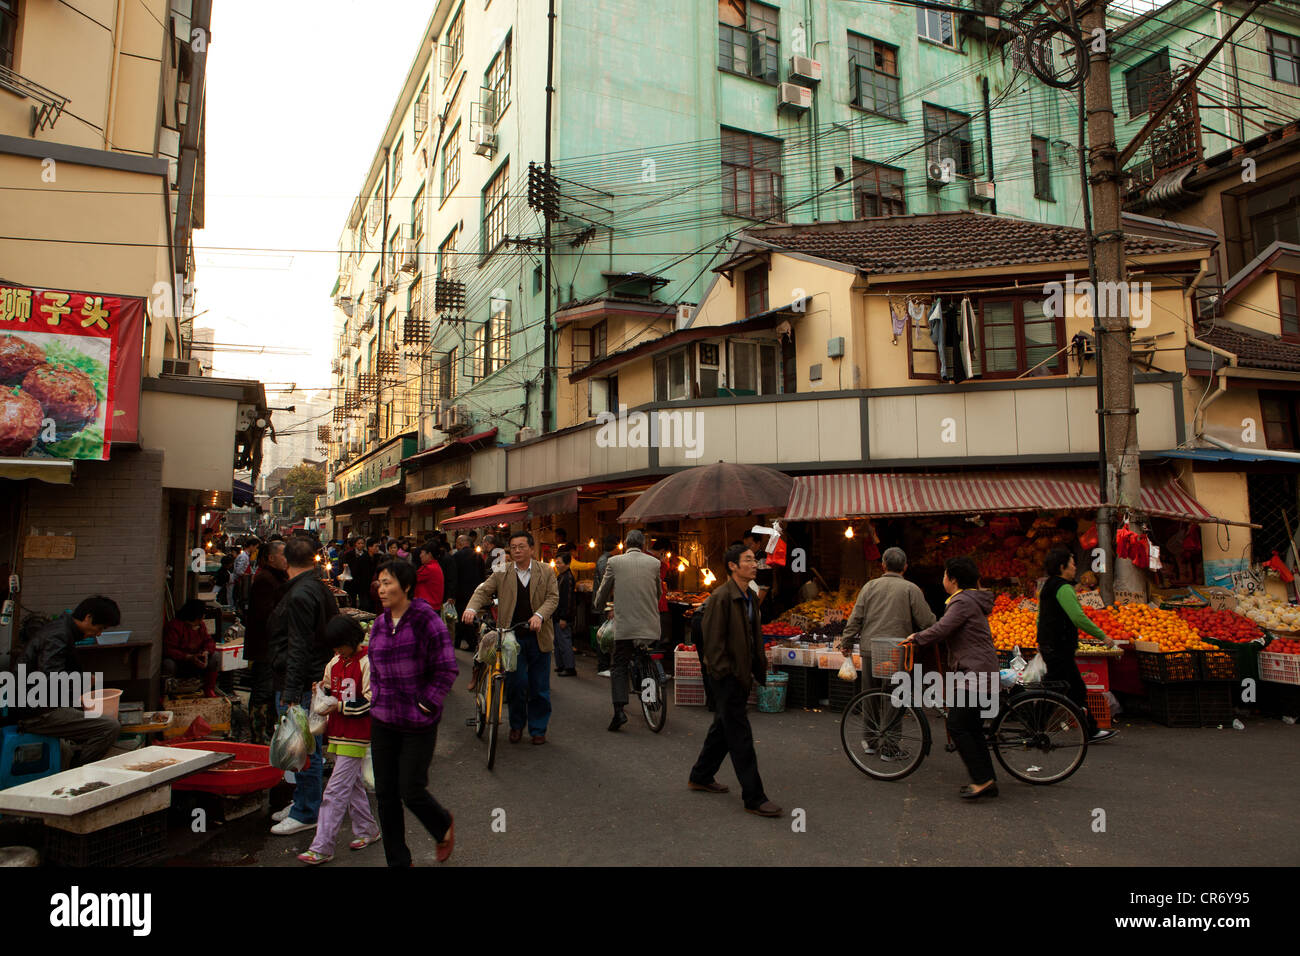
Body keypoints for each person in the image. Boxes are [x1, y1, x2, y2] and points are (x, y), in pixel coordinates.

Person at [368, 558, 457, 866]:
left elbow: (447, 668)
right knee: (385, 795)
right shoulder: (379, 623)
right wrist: (375, 698)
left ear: (406, 587)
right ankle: (398, 861)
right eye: (380, 583)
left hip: (418, 722)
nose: (381, 589)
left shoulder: (425, 619)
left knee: (411, 789)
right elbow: (375, 671)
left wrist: (426, 702)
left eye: (388, 582)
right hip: (382, 720)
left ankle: (442, 823)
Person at [688, 544, 781, 817]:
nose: (755, 565)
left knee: (722, 728)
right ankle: (754, 796)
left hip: (741, 673)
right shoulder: (721, 598)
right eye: (748, 560)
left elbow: (751, 637)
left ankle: (701, 775)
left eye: (755, 560)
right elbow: (712, 643)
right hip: (727, 676)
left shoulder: (750, 596)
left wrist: (756, 667)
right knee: (740, 736)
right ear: (733, 566)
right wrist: (724, 673)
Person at [905, 556, 1000, 799]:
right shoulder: (970, 600)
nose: (943, 579)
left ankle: (982, 779)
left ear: (953, 579)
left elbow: (942, 628)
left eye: (945, 575)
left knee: (957, 725)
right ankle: (987, 778)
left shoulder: (962, 602)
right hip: (980, 669)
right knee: (973, 728)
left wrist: (917, 637)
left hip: (975, 672)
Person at [267, 537, 340, 835]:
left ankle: (306, 810)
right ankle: (304, 801)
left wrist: (292, 694)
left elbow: (298, 646)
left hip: (300, 683)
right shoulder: (319, 587)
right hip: (314, 680)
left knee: (303, 749)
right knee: (307, 748)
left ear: (286, 562)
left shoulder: (300, 594)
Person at [298, 615, 381, 864]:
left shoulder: (368, 662)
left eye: (339, 645)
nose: (336, 651)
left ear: (351, 640)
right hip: (338, 734)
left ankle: (322, 846)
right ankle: (368, 830)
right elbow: (326, 687)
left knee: (334, 791)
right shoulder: (334, 662)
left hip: (358, 736)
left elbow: (370, 701)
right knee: (352, 785)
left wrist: (337, 706)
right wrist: (320, 693)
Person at [463, 531, 559, 744]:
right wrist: (471, 608)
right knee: (516, 685)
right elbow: (483, 591)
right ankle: (516, 725)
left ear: (531, 549)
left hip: (539, 636)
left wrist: (539, 615)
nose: (517, 551)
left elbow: (553, 598)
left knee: (539, 687)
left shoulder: (546, 571)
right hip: (511, 638)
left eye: (521, 546)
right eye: (513, 547)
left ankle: (538, 729)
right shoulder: (502, 572)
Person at [17, 596, 122, 767]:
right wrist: (84, 682)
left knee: (102, 719)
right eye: (99, 627)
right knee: (110, 726)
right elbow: (49, 677)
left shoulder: (61, 629)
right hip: (37, 712)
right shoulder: (58, 635)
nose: (99, 633)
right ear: (88, 618)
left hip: (39, 704)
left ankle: (71, 763)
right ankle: (76, 772)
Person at [1037, 547, 1118, 742]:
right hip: (1059, 646)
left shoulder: (1048, 585)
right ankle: (1035, 725)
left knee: (1070, 689)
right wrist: (1102, 636)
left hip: (1052, 645)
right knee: (1059, 688)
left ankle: (1089, 729)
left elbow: (1041, 617)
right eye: (1072, 564)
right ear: (1062, 567)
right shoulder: (1063, 588)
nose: (1075, 568)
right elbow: (1078, 617)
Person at [593, 530, 664, 731]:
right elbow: (658, 592)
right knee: (647, 659)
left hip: (625, 627)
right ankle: (650, 700)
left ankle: (619, 711)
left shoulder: (615, 562)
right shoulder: (654, 563)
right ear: (643, 545)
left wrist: (599, 605)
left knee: (619, 665)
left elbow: (604, 589)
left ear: (625, 544)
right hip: (650, 625)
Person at [837, 547, 936, 687]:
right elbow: (927, 622)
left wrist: (846, 642)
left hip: (870, 649)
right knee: (894, 695)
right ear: (905, 567)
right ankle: (891, 709)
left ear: (883, 566)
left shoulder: (869, 587)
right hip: (897, 650)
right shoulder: (911, 589)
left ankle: (869, 710)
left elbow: (855, 619)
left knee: (868, 695)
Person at [246, 540, 289, 744]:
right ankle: (258, 734)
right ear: (271, 558)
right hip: (265, 648)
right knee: (263, 690)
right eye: (283, 555)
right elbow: (267, 616)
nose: (286, 559)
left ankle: (268, 734)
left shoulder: (276, 577)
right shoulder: (265, 579)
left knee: (271, 690)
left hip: (273, 647)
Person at [162, 599, 219, 697]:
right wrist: (188, 657)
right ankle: (166, 694)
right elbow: (169, 649)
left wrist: (205, 652)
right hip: (180, 663)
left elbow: (209, 641)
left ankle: (209, 689)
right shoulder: (174, 626)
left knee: (215, 656)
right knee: (168, 664)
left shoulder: (201, 626)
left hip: (197, 661)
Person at [452, 534, 485, 652]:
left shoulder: (456, 556)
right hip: (476, 592)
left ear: (460, 543)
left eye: (457, 543)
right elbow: (482, 575)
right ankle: (457, 641)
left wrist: (452, 593)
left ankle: (472, 643)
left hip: (461, 592)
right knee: (466, 616)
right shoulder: (478, 556)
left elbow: (454, 576)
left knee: (464, 617)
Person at [592, 535, 618, 677]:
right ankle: (603, 666)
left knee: (606, 633)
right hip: (605, 605)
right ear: (615, 547)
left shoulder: (605, 560)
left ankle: (605, 665)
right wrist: (610, 606)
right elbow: (606, 585)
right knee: (604, 634)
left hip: (605, 604)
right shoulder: (605, 561)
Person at [553, 552, 578, 677]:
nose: (557, 565)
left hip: (563, 616)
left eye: (559, 563)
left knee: (564, 641)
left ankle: (569, 667)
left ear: (567, 564)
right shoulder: (561, 576)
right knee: (558, 641)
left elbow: (567, 599)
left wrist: (564, 617)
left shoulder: (567, 577)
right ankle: (561, 665)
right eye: (556, 562)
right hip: (558, 615)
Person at [414, 543, 445, 609]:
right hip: (432, 605)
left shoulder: (429, 568)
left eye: (422, 553)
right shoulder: (435, 565)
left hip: (427, 606)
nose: (420, 556)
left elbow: (411, 578)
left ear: (429, 554)